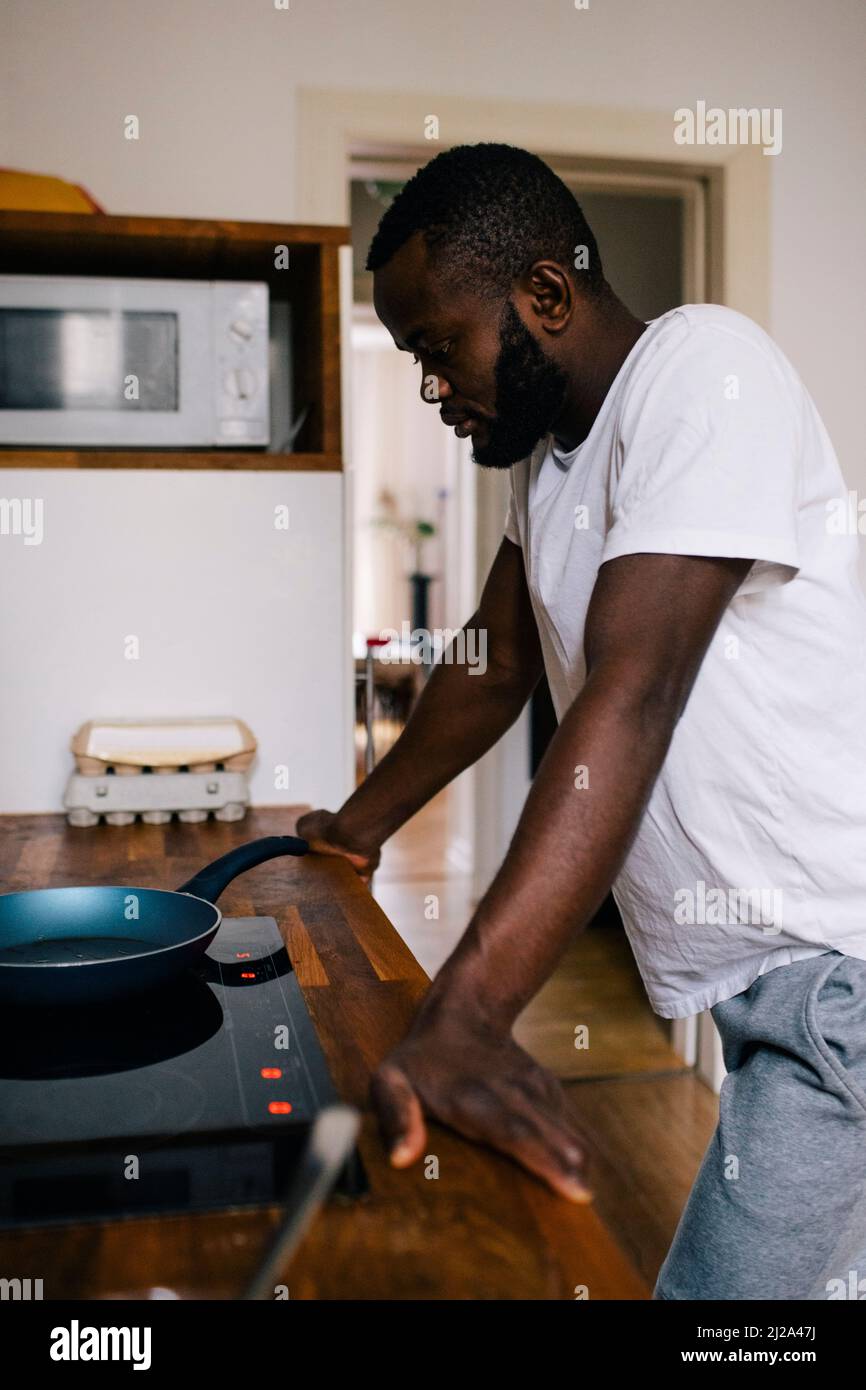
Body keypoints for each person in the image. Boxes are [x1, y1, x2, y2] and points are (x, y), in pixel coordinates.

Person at [298, 143, 866, 1300]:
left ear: (544, 296)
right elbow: (494, 664)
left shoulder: (703, 372)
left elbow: (632, 687)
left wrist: (464, 1016)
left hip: (837, 978)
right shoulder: (549, 458)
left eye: (437, 350)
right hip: (768, 981)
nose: (432, 388)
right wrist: (355, 826)